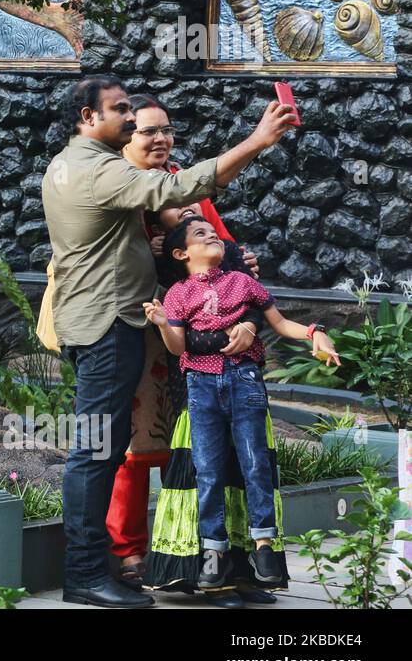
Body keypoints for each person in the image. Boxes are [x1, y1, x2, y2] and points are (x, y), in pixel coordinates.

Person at [41, 76, 296, 608]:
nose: (132, 121)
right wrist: (257, 140)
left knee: (103, 450)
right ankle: (88, 574)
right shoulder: (98, 168)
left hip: (104, 322)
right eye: (121, 112)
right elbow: (176, 191)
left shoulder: (69, 163)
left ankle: (102, 569)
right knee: (97, 452)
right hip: (108, 324)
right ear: (87, 118)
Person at [105, 95, 262, 590]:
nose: (160, 139)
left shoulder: (186, 186)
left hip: (206, 347)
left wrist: (243, 274)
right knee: (133, 444)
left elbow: (224, 253)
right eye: (147, 131)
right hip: (137, 332)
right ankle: (127, 549)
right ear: (125, 136)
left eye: (166, 130)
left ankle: (202, 552)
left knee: (203, 445)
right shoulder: (113, 183)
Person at [144, 217, 339, 593]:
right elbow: (178, 347)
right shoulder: (178, 294)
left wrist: (316, 333)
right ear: (182, 253)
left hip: (244, 380)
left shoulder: (243, 282)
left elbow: (281, 324)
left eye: (213, 233)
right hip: (200, 385)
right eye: (200, 234)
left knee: (255, 464)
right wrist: (163, 324)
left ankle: (263, 544)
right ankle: (214, 551)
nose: (212, 235)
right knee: (208, 470)